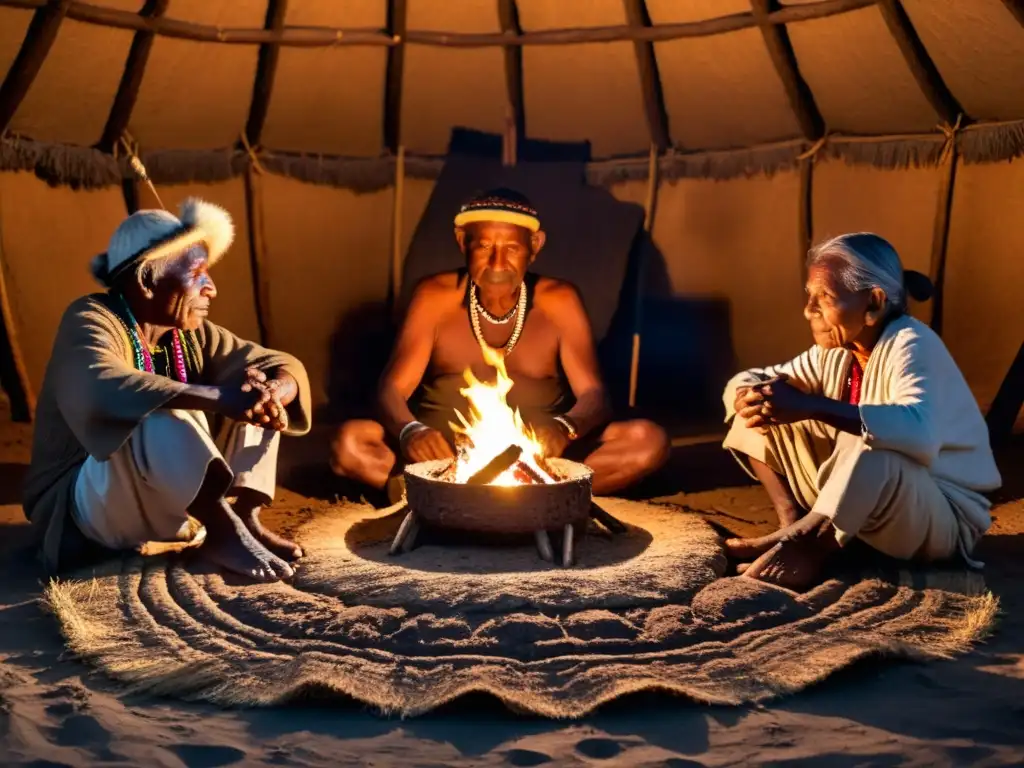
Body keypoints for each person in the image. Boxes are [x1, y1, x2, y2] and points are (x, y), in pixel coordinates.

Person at [23, 198, 313, 583]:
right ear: (146, 280)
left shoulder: (190, 335)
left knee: (256, 387)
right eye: (198, 274)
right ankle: (222, 531)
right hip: (85, 509)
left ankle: (242, 519)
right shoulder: (90, 319)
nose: (211, 288)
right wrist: (220, 398)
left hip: (155, 505)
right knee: (161, 410)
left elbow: (279, 363)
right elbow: (103, 386)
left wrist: (273, 389)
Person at [330, 188, 669, 498]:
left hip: (541, 458)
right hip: (446, 459)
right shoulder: (434, 297)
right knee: (350, 443)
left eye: (511, 249)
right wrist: (411, 432)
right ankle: (445, 492)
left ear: (534, 247)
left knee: (647, 441)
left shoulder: (559, 301)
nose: (496, 263)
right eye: (484, 246)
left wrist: (565, 428)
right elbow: (391, 388)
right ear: (463, 242)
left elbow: (594, 395)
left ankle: (527, 496)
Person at [721, 233, 1001, 590]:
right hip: (861, 501)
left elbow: (918, 433)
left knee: (876, 446)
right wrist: (752, 393)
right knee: (760, 409)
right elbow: (760, 380)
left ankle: (810, 547)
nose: (809, 311)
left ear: (873, 303)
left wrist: (810, 406)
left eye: (825, 299)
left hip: (936, 520)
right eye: (810, 297)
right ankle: (793, 523)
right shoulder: (836, 351)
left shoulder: (912, 343)